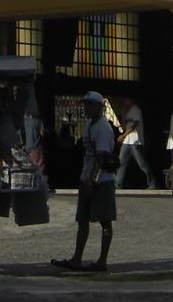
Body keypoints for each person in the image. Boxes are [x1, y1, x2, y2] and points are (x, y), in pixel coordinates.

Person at [51, 90, 115, 272]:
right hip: (85, 177)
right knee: (83, 220)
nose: (86, 108)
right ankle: (77, 258)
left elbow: (101, 157)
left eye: (90, 105)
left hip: (101, 180)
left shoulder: (103, 128)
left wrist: (91, 180)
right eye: (85, 104)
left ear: (100, 107)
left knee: (105, 221)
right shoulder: (88, 126)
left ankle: (102, 261)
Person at [114, 95, 160, 189]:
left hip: (135, 141)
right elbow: (124, 127)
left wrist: (123, 135)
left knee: (142, 163)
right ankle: (117, 184)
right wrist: (123, 115)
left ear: (130, 100)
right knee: (121, 162)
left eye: (125, 100)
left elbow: (135, 125)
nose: (123, 102)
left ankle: (152, 183)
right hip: (127, 141)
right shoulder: (127, 111)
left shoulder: (136, 110)